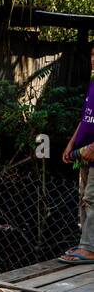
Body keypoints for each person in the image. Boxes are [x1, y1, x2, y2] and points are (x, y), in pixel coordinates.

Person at [59, 43, 94, 264]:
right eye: (93, 55)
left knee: (92, 199)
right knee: (83, 199)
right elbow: (85, 119)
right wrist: (71, 144)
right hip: (83, 152)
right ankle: (85, 243)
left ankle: (89, 248)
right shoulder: (93, 84)